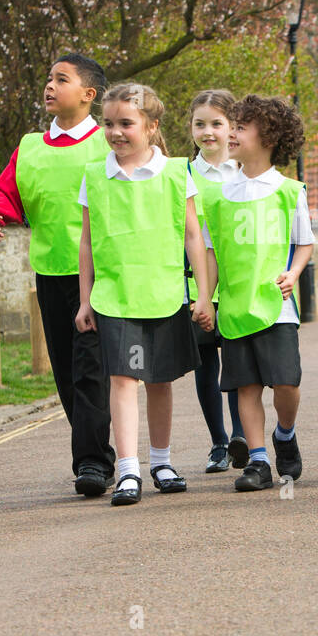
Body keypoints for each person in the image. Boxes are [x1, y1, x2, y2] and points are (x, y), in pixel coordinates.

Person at [0, 52, 115, 497]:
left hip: (104, 276)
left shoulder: (109, 144)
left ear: (88, 95)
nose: (49, 86)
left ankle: (91, 462)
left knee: (91, 367)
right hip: (51, 275)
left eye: (62, 79)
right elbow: (4, 195)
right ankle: (99, 457)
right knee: (68, 373)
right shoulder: (30, 146)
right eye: (49, 78)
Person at [75, 83, 213, 506]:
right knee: (122, 379)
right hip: (115, 297)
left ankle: (162, 461)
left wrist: (203, 294)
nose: (115, 132)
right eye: (108, 123)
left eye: (126, 123)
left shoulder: (176, 172)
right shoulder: (95, 174)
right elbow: (86, 241)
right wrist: (85, 299)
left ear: (151, 127)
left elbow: (194, 235)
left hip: (166, 293)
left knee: (160, 380)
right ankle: (128, 470)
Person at [200, 95, 314, 492]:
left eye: (241, 127)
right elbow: (211, 253)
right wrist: (204, 298)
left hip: (276, 306)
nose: (231, 133)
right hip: (233, 307)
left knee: (287, 383)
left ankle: (285, 433)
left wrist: (294, 273)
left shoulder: (289, 191)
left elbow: (304, 244)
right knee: (245, 386)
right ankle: (259, 460)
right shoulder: (216, 196)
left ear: (267, 139)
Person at [185, 89, 247, 472]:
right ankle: (218, 443)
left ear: (232, 128)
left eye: (216, 124)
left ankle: (243, 436)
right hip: (196, 286)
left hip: (239, 281)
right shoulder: (182, 174)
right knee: (205, 364)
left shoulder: (246, 171)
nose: (208, 132)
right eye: (200, 124)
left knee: (239, 362)